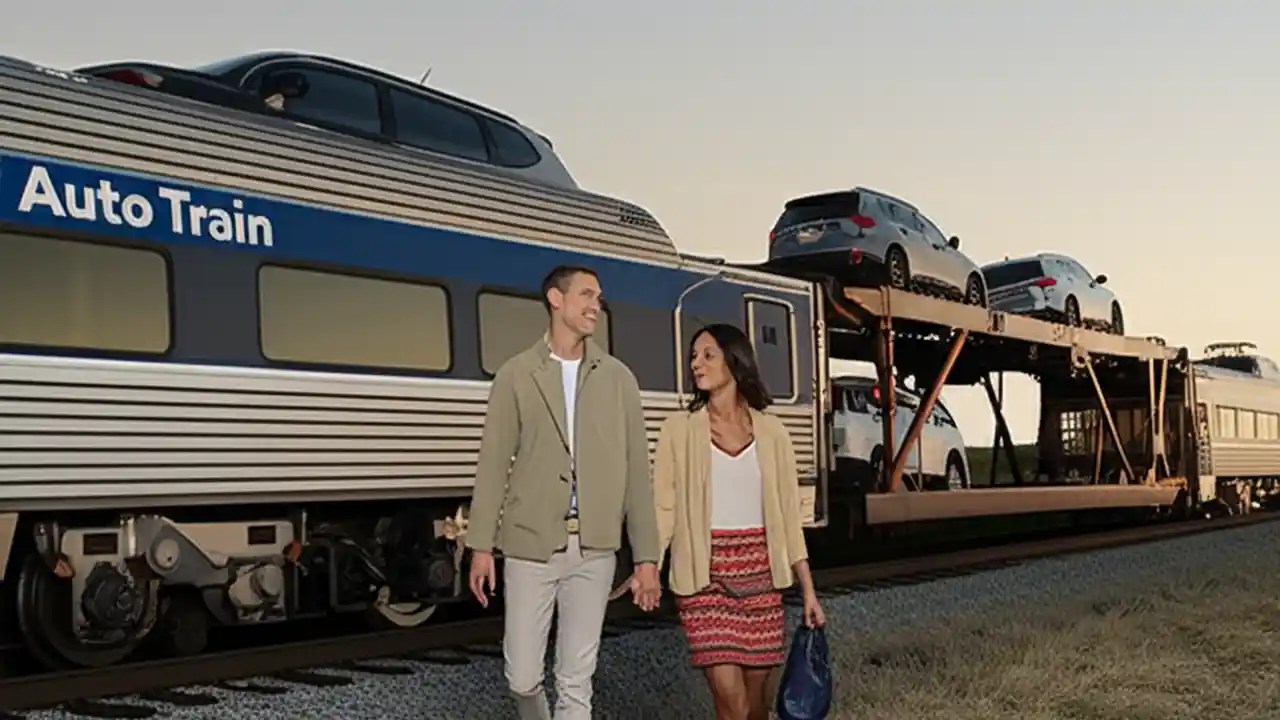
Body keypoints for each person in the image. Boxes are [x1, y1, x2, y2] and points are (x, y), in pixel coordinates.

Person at [465, 264, 663, 720]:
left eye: (599, 297)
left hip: (595, 550)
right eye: (587, 295)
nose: (596, 305)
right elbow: (492, 465)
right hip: (529, 546)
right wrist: (481, 546)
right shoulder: (516, 375)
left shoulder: (619, 379)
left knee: (576, 681)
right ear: (556, 299)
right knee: (522, 679)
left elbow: (637, 474)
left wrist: (646, 559)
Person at [653, 322, 826, 720]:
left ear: (734, 362)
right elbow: (663, 506)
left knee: (755, 707)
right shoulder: (677, 431)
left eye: (707, 355)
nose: (696, 364)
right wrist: (650, 565)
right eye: (693, 357)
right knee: (731, 700)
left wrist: (808, 590)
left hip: (761, 578)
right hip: (704, 579)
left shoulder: (772, 432)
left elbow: (789, 517)